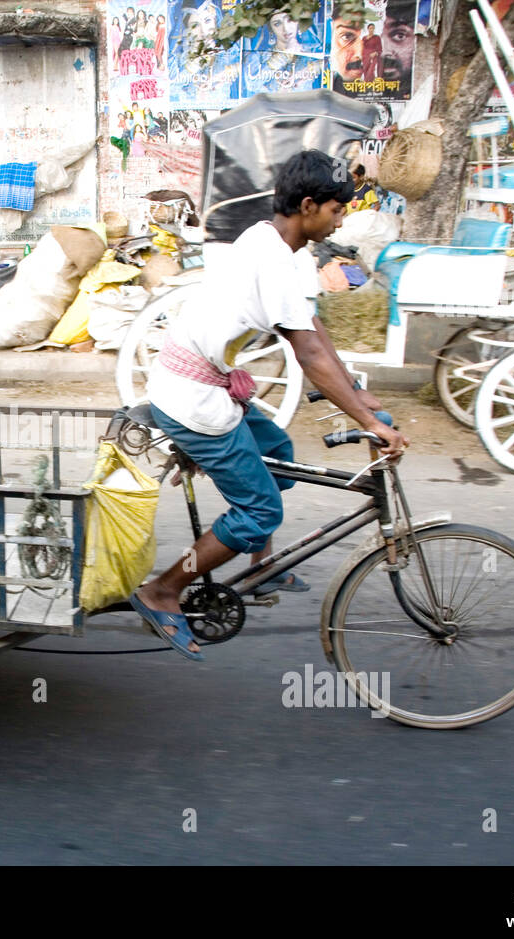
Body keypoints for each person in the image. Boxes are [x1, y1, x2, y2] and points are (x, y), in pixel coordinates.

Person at [130, 150, 407, 661]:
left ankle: (260, 567)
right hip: (192, 398)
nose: (341, 218)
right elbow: (307, 350)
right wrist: (367, 420)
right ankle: (163, 591)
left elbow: (312, 329)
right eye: (336, 209)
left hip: (205, 383)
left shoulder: (278, 243)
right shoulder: (274, 259)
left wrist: (353, 389)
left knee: (278, 449)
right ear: (308, 205)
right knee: (259, 509)